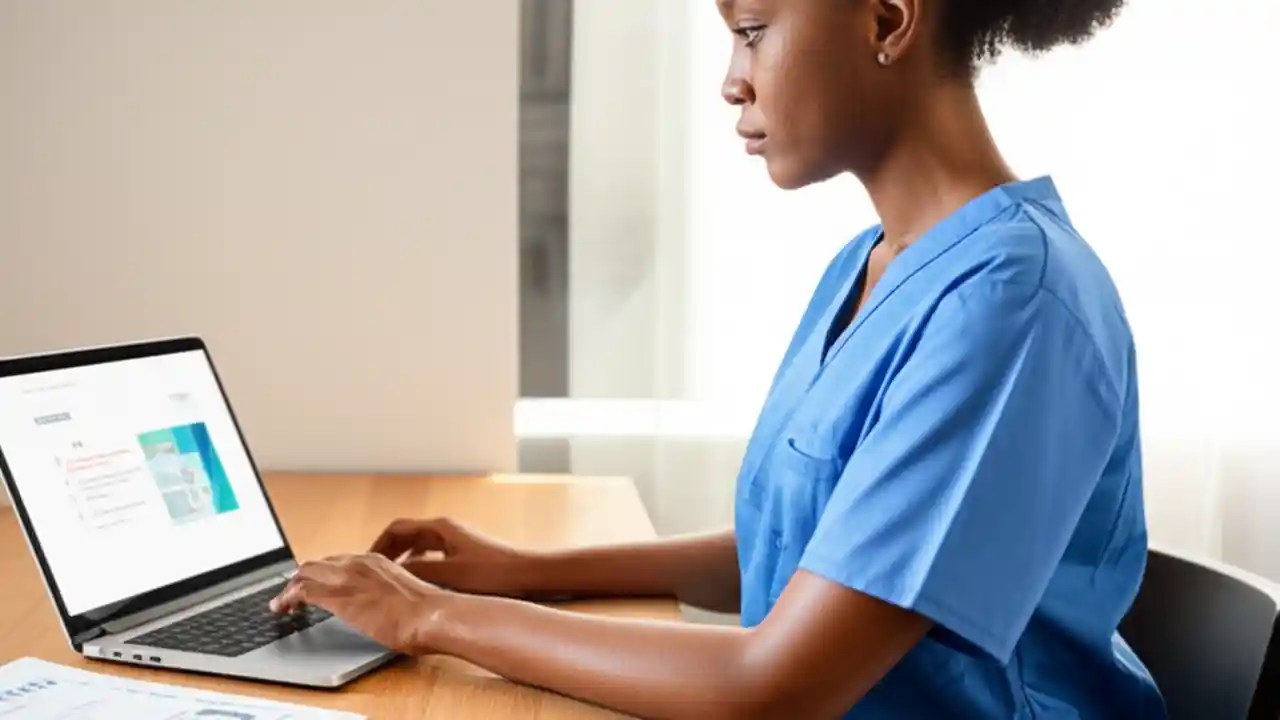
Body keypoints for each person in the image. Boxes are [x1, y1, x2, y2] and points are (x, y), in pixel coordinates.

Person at [271, 0, 1166, 716]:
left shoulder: (1011, 302)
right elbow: (815, 556)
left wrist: (431, 615)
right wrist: (529, 571)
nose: (732, 83)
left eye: (752, 31)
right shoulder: (872, 264)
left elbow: (775, 686)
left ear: (888, 18)